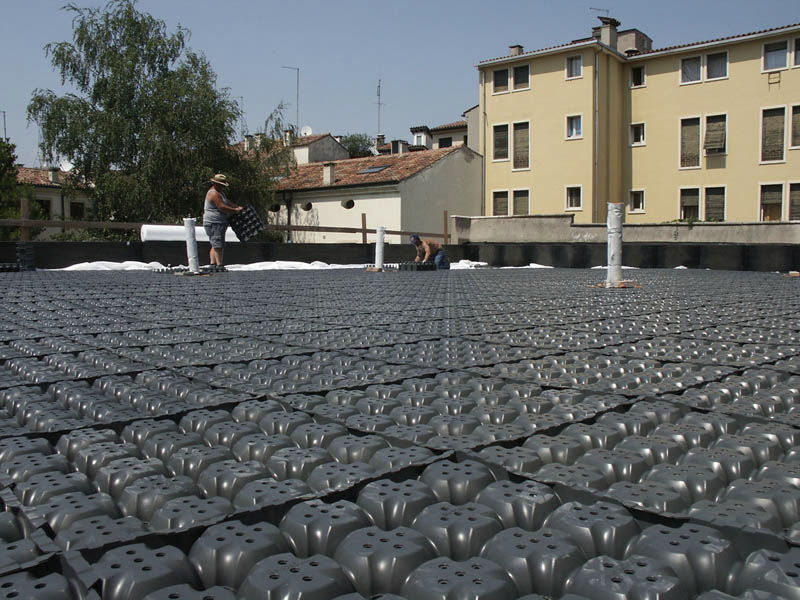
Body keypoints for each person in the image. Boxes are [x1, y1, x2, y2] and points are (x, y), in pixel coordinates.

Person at [203, 173, 242, 267]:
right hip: (214, 222)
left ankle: (213, 263)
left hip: (218, 222)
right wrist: (235, 210)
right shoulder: (213, 193)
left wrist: (236, 206)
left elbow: (226, 201)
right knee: (218, 244)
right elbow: (221, 206)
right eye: (221, 185)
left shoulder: (220, 193)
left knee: (214, 243)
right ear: (215, 183)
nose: (222, 187)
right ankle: (219, 264)